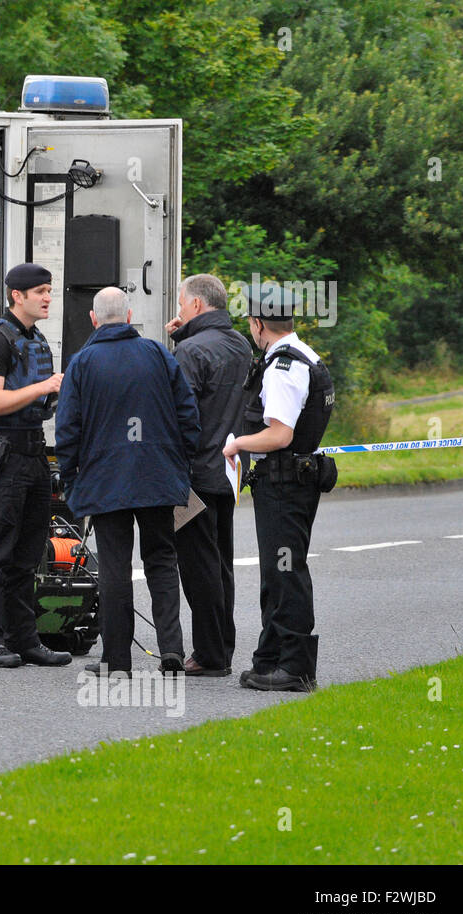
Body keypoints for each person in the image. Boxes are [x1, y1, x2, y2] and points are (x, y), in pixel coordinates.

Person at [55, 286, 200, 676]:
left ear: (93, 318)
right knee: (162, 561)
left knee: (115, 570)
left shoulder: (82, 363)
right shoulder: (157, 354)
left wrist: (70, 478)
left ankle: (117, 661)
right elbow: (188, 413)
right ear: (130, 313)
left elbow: (67, 429)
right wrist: (180, 462)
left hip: (106, 483)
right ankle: (172, 651)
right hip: (157, 477)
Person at [0, 263, 70, 669]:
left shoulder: (34, 339)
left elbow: (34, 401)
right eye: (39, 291)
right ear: (16, 295)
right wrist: (42, 387)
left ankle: (24, 639)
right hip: (1, 456)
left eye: (49, 290)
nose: (47, 298)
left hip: (33, 453)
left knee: (27, 555)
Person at [223, 310, 336, 692]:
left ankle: (296, 668)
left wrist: (238, 443)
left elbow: (279, 435)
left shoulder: (284, 366)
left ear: (257, 324)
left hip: (285, 484)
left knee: (286, 572)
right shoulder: (303, 354)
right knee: (277, 572)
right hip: (291, 481)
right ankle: (269, 659)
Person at [165, 274, 253, 677]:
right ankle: (223, 647)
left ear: (197, 306)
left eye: (183, 305)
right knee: (221, 562)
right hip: (230, 470)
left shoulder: (191, 351)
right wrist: (183, 339)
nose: (179, 311)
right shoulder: (241, 345)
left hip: (194, 474)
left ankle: (210, 654)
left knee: (198, 565)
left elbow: (182, 415)